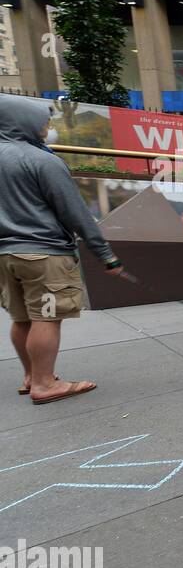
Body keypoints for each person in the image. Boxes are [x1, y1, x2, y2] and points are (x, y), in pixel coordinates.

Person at [0, 94, 126, 404]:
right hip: (43, 252)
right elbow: (75, 213)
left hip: (4, 254)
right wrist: (106, 255)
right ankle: (45, 383)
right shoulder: (41, 160)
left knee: (22, 318)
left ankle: (31, 376)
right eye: (43, 123)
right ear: (24, 122)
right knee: (46, 316)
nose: (47, 129)